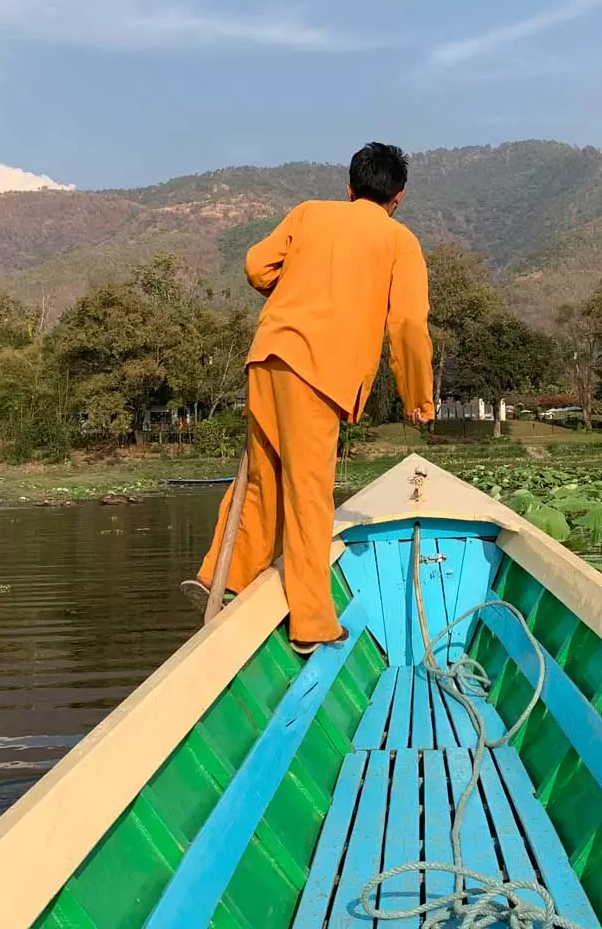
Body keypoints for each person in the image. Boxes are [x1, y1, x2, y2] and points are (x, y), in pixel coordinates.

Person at [186, 142, 433, 654]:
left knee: (265, 473)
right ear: (398, 197)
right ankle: (313, 623)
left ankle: (224, 576)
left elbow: (257, 266)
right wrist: (418, 395)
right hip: (320, 372)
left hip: (268, 356)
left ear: (349, 188)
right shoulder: (398, 240)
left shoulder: (308, 214)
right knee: (309, 491)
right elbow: (408, 324)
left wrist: (289, 286)